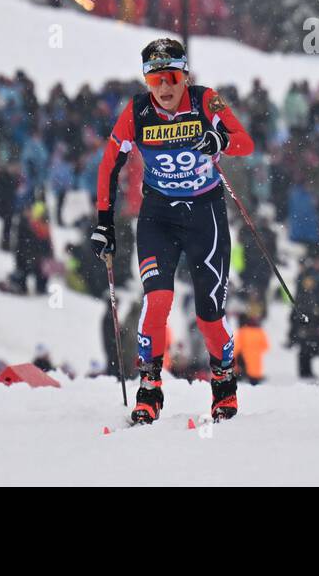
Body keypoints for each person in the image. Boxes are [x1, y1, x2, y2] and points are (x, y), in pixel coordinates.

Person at [92, 38, 254, 425]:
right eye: (154, 80)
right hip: (158, 217)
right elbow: (108, 165)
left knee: (208, 314)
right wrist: (104, 222)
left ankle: (223, 383)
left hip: (205, 216)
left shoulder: (205, 101)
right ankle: (149, 388)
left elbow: (245, 144)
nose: (164, 88)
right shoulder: (136, 111)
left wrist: (220, 141)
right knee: (157, 301)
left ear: (185, 76)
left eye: (171, 77)